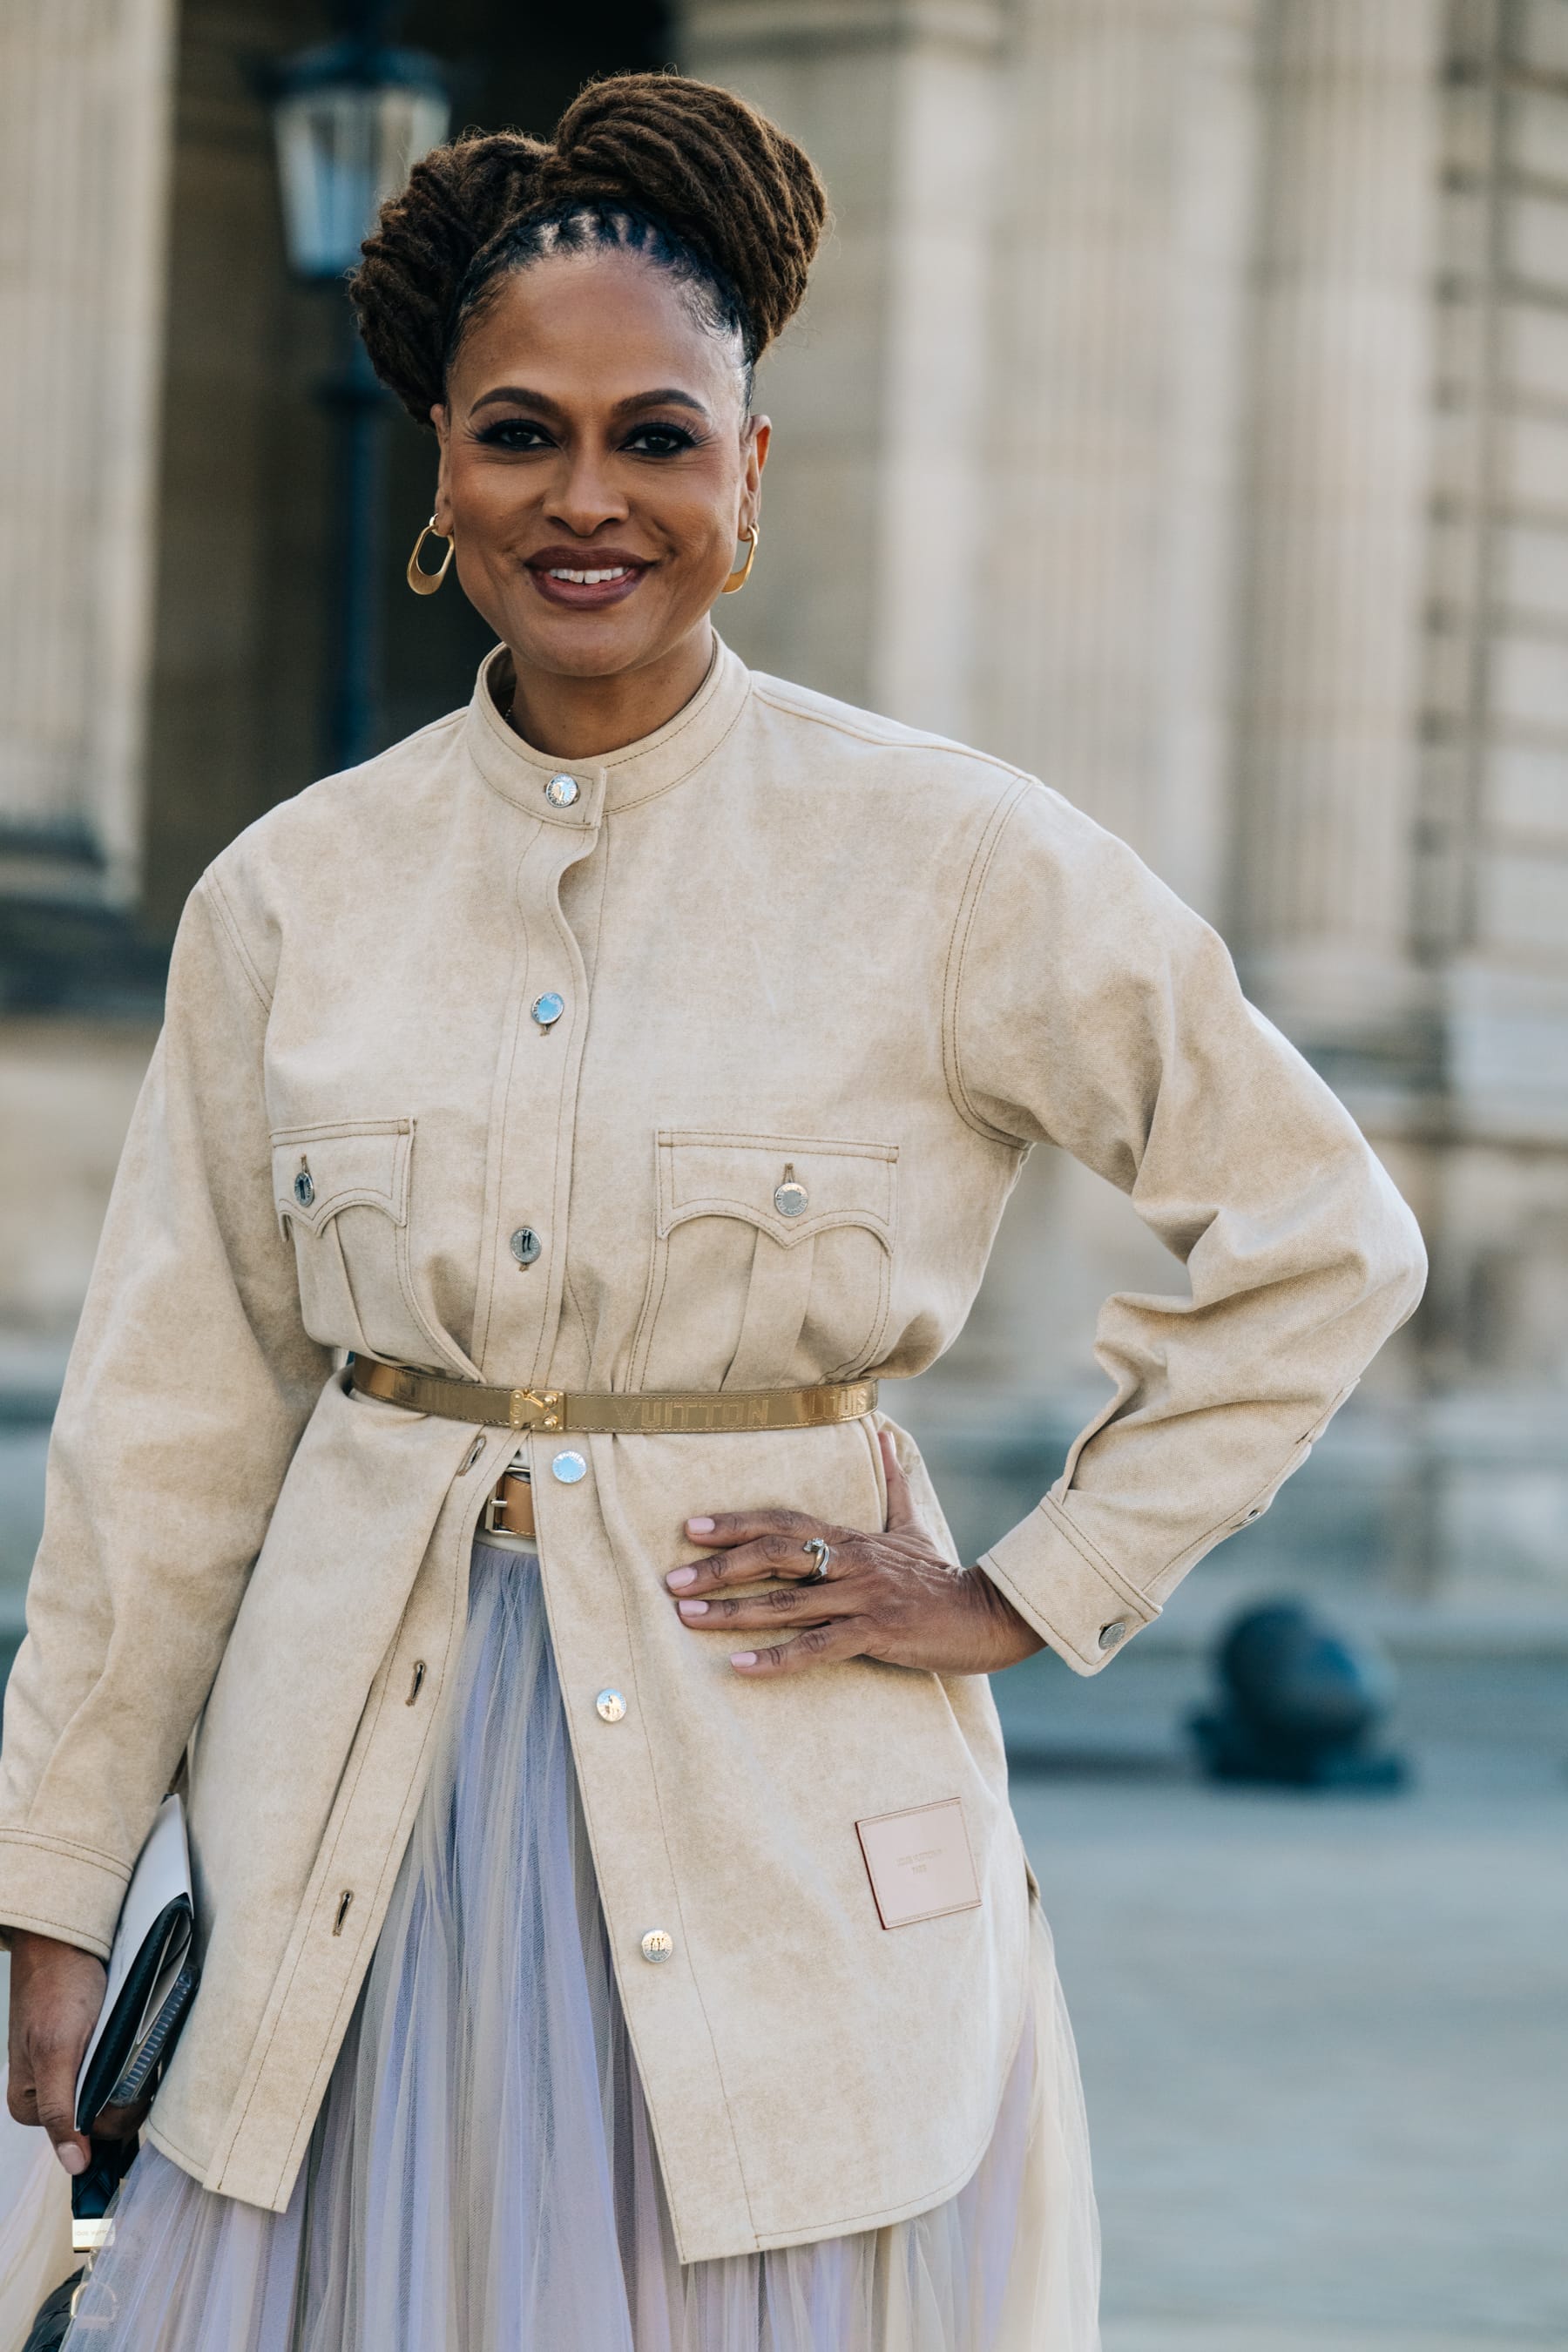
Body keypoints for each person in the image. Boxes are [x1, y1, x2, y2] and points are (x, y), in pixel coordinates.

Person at [0, 71, 1425, 2352]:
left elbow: (1321, 1238)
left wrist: (1021, 1586)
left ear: (751, 482)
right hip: (351, 1883)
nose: (587, 499)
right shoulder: (289, 897)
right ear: (436, 472)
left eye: (656, 436)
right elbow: (167, 1437)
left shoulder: (960, 860)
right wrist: (57, 1881)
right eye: (518, 433)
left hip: (791, 1866)